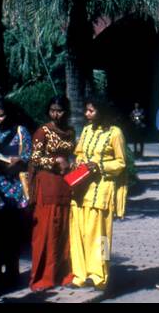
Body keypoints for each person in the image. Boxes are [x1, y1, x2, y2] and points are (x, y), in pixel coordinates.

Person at [69, 97, 128, 289]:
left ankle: (100, 276)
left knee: (102, 236)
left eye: (91, 111)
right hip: (81, 189)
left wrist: (100, 166)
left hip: (102, 191)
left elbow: (121, 162)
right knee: (79, 234)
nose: (87, 114)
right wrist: (78, 163)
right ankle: (80, 274)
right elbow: (79, 153)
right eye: (86, 111)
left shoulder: (115, 133)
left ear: (101, 112)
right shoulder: (86, 130)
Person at [0, 98, 31, 297]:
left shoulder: (21, 132)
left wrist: (21, 160)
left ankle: (12, 277)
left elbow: (29, 155)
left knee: (11, 236)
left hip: (14, 191)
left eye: (0, 115)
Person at [28, 95, 77, 291]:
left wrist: (72, 163)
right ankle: (42, 277)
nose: (56, 114)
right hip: (47, 184)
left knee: (63, 230)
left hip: (65, 184)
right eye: (52, 110)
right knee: (46, 231)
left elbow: (72, 153)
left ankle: (61, 273)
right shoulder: (43, 131)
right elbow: (35, 158)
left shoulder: (70, 131)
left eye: (60, 110)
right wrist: (56, 162)